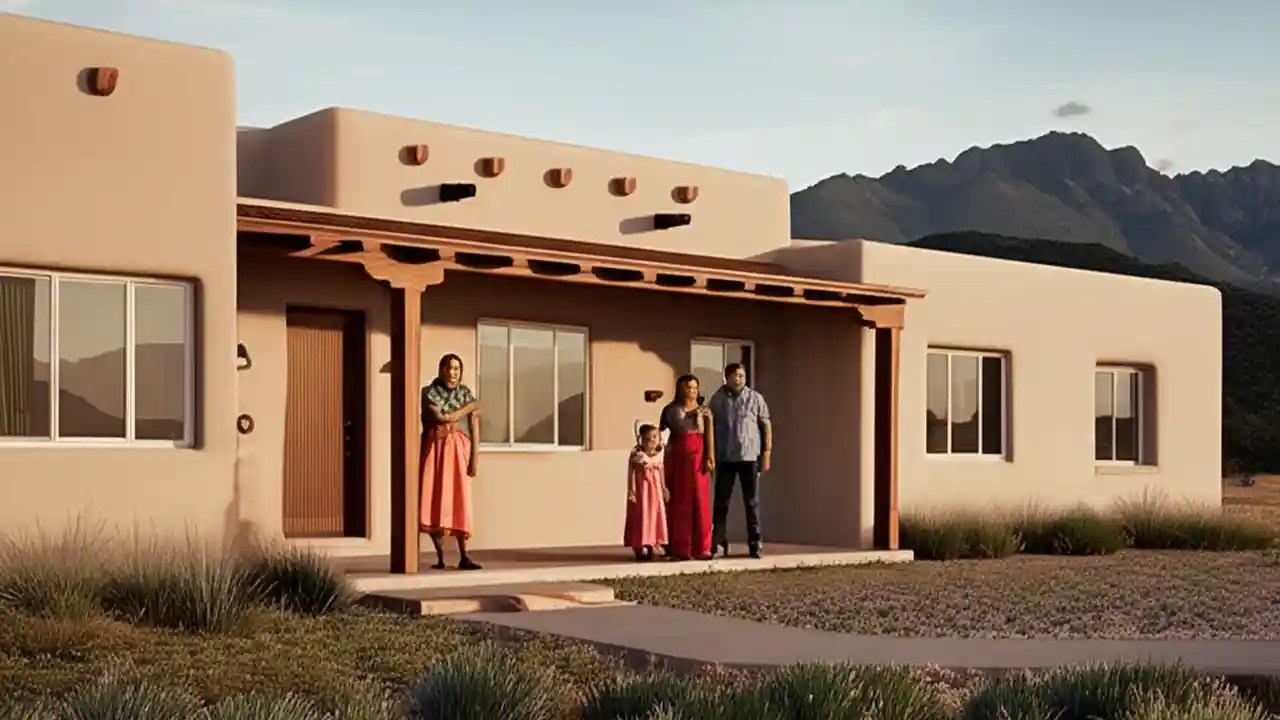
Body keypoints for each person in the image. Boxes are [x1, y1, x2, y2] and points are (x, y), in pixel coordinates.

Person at [419, 353, 482, 571]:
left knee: (459, 498)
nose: (452, 373)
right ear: (440, 369)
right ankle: (441, 557)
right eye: (448, 368)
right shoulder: (429, 393)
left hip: (458, 452)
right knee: (435, 499)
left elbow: (474, 428)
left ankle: (465, 555)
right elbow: (441, 417)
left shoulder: (465, 393)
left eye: (456, 369)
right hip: (435, 450)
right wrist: (470, 406)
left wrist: (475, 458)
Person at [709, 362, 772, 559]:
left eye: (742, 375)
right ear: (727, 377)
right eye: (735, 375)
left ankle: (755, 543)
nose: (739, 379)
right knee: (721, 502)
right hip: (725, 457)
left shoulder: (755, 398)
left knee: (752, 502)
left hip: (749, 456)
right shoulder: (717, 399)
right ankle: (718, 542)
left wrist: (767, 452)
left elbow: (765, 424)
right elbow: (710, 427)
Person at [660, 374, 715, 561]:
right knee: (680, 502)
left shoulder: (704, 411)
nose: (691, 391)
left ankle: (702, 547)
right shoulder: (670, 410)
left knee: (700, 501)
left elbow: (709, 434)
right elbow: (662, 435)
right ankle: (681, 547)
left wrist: (710, 456)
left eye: (694, 387)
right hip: (677, 458)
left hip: (698, 458)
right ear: (679, 388)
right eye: (687, 387)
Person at [623, 424, 669, 562]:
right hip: (643, 490)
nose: (652, 440)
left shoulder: (659, 455)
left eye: (655, 437)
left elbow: (661, 472)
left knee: (656, 515)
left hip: (655, 491)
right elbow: (630, 472)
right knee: (643, 516)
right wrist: (631, 490)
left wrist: (664, 487)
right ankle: (640, 544)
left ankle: (654, 542)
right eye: (648, 438)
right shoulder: (638, 455)